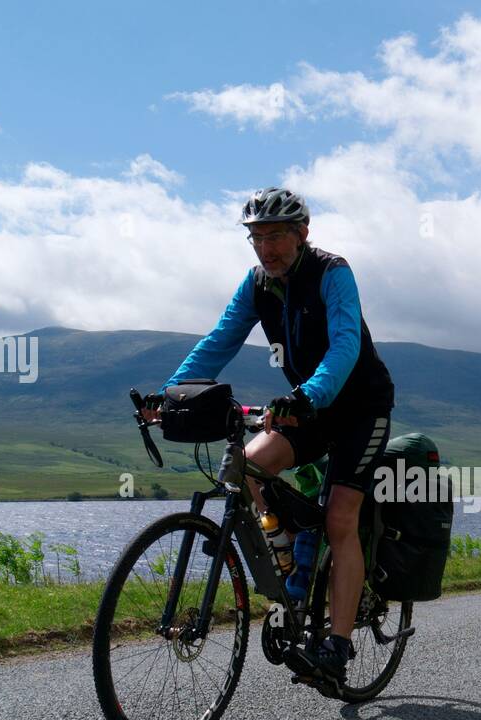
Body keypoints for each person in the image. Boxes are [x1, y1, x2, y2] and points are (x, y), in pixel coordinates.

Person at [145, 186, 395, 683]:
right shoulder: (257, 283)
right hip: (307, 407)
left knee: (341, 520)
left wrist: (309, 394)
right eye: (257, 238)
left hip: (360, 407)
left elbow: (345, 343)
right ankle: (291, 549)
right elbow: (220, 340)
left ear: (302, 234)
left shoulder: (332, 272)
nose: (268, 248)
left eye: (277, 235)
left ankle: (338, 644)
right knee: (245, 465)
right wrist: (172, 395)